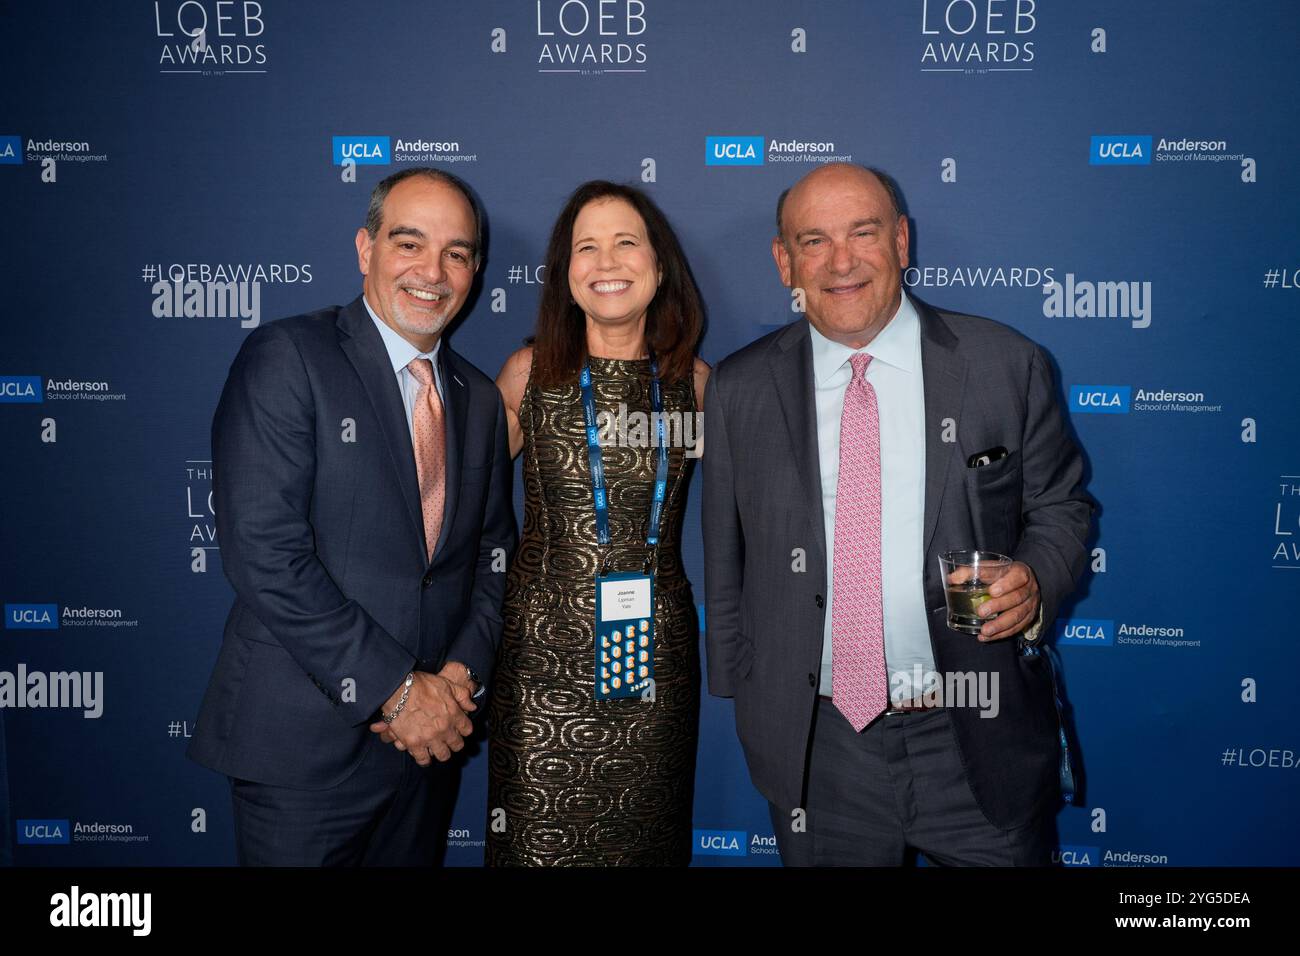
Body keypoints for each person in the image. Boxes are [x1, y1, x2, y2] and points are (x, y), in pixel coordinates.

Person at [702, 163, 1093, 866]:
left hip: (975, 732)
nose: (841, 261)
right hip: (817, 752)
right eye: (814, 240)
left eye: (864, 233)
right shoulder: (739, 386)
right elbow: (724, 557)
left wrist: (1036, 578)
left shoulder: (1005, 363)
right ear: (783, 259)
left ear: (903, 241)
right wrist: (745, 688)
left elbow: (1062, 505)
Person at [188, 167, 516, 866]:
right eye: (409, 244)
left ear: (475, 271)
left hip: (429, 754)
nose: (433, 271)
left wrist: (459, 678)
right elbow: (264, 553)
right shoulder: (289, 356)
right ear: (365, 249)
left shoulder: (480, 400)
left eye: (456, 253)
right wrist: (397, 694)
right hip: (303, 752)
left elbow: (493, 557)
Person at [487, 181, 708, 865]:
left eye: (625, 242)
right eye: (587, 246)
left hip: (652, 667)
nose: (606, 261)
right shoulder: (529, 374)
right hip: (538, 670)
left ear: (660, 265)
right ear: (566, 273)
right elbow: (448, 505)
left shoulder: (695, 385)